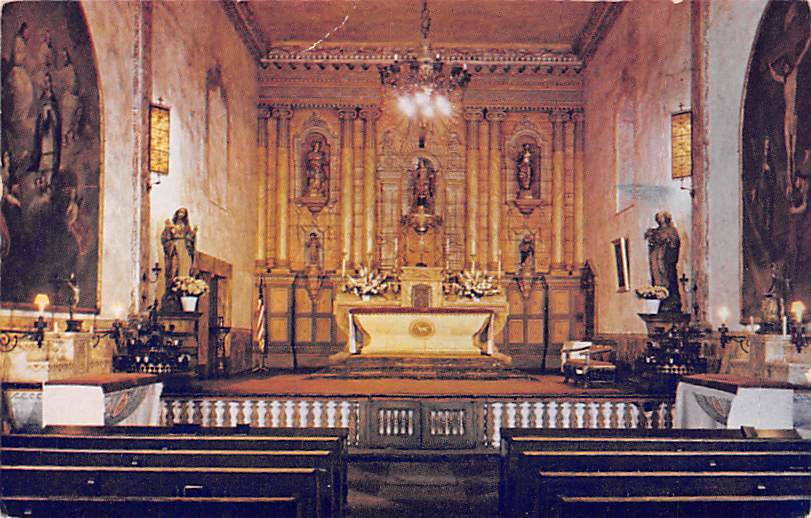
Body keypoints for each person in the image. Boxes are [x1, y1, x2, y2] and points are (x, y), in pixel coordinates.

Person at [645, 211, 682, 313]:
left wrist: (669, 242)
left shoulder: (671, 230)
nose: (659, 219)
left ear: (666, 218)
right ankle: (662, 298)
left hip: (666, 259)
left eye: (661, 217)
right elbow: (651, 242)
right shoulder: (655, 231)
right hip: (657, 257)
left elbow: (675, 244)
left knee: (668, 277)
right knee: (657, 276)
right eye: (658, 218)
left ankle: (671, 301)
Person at [161, 208, 197, 290]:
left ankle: (184, 284)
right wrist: (168, 229)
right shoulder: (172, 225)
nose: (181, 214)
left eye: (183, 213)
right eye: (180, 212)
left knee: (185, 266)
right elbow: (165, 238)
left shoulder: (186, 227)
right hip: (175, 247)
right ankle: (175, 284)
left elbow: (190, 238)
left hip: (184, 248)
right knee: (175, 266)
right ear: (177, 213)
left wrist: (193, 233)